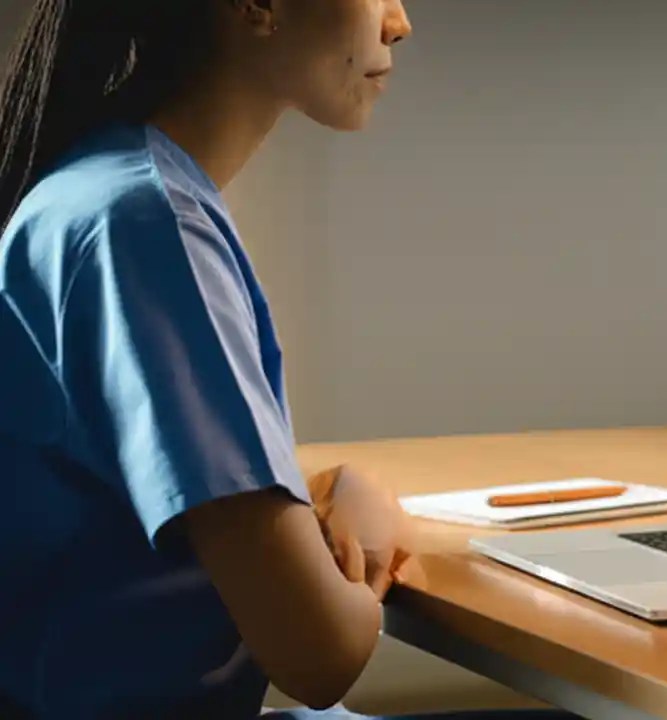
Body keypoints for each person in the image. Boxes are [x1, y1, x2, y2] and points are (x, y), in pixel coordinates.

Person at [0, 1, 580, 718]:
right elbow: (319, 654)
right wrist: (376, 531)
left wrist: (338, 488)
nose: (399, 22)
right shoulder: (146, 225)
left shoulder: (98, 191)